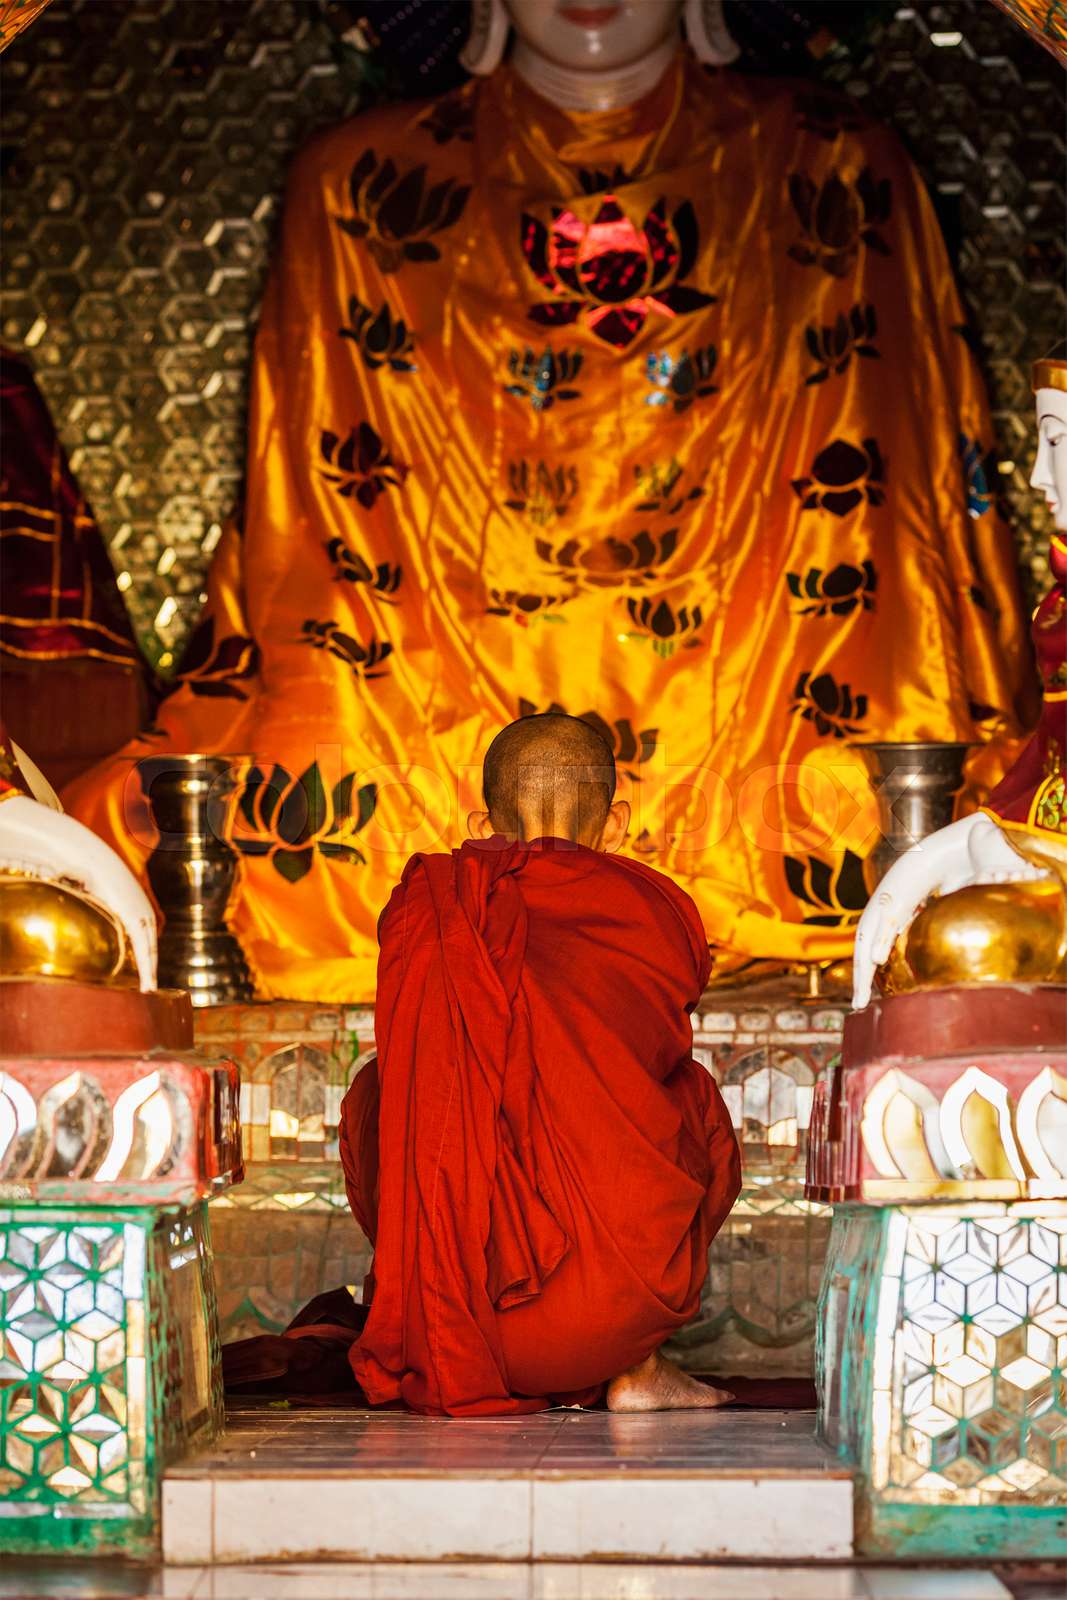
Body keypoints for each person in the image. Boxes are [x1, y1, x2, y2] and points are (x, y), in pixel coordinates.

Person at [337, 711, 741, 1416]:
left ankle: (431, 1290)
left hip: (453, 1324)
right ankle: (638, 1364)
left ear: (480, 820)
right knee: (692, 1097)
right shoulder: (651, 912)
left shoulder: (433, 904)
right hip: (610, 1313)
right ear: (615, 826)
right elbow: (644, 1048)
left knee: (379, 1091)